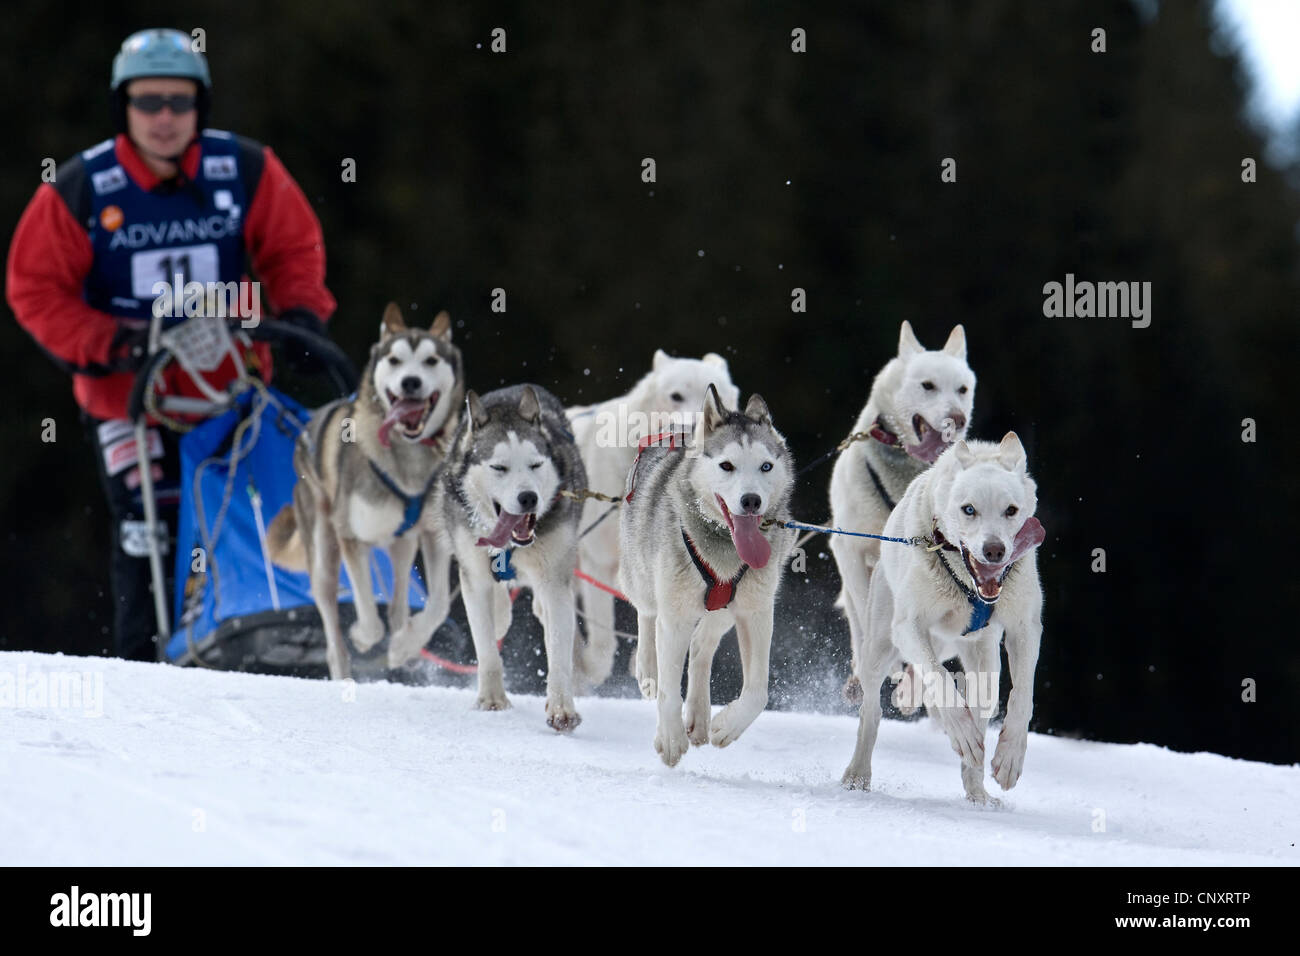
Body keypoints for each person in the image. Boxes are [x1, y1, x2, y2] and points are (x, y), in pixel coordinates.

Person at [6, 28, 337, 661]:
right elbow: (33, 289)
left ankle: (267, 634)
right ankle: (146, 666)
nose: (164, 119)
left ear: (200, 107)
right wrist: (111, 341)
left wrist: (300, 315)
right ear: (122, 107)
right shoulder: (83, 188)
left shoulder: (243, 169)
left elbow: (294, 247)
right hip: (131, 400)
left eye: (179, 103)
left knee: (257, 510)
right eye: (148, 103)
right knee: (148, 531)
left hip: (232, 387)